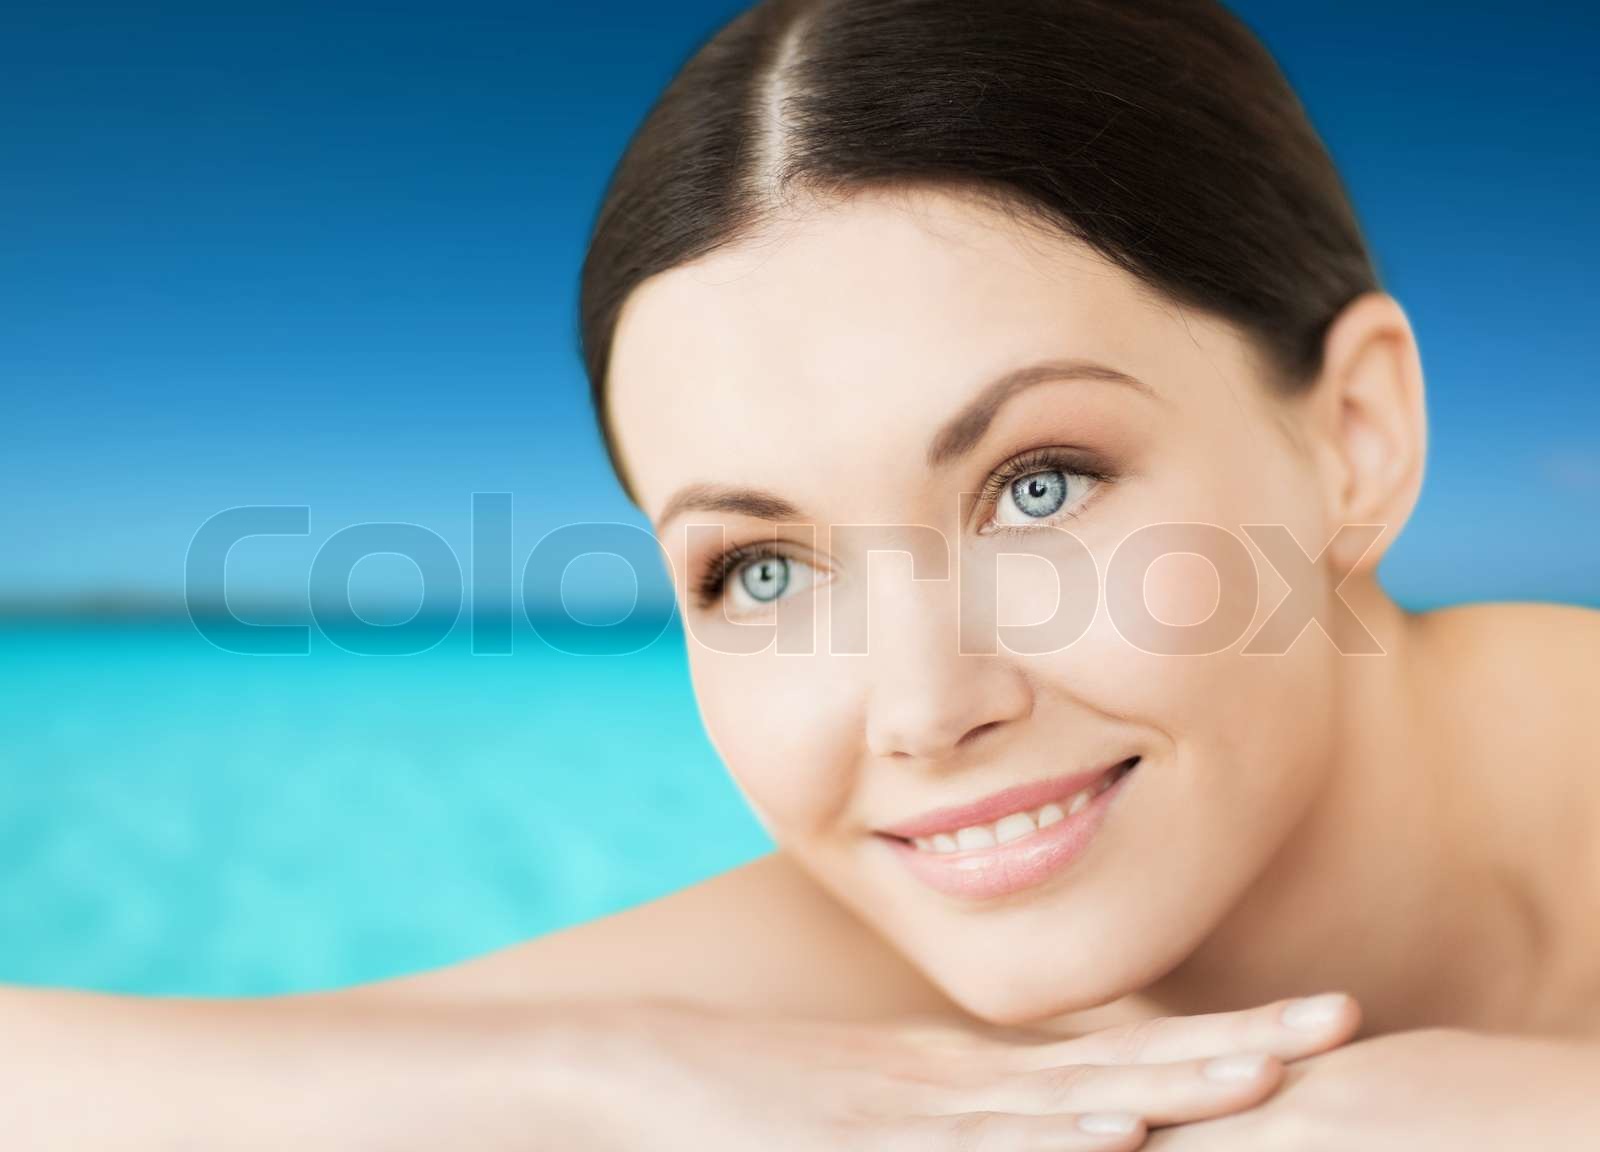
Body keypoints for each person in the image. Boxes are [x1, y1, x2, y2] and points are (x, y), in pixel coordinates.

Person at [7, 0, 1598, 1148]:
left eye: (1038, 486)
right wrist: (592, 1083)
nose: (919, 710)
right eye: (760, 571)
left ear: (1358, 440)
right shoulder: (913, 933)